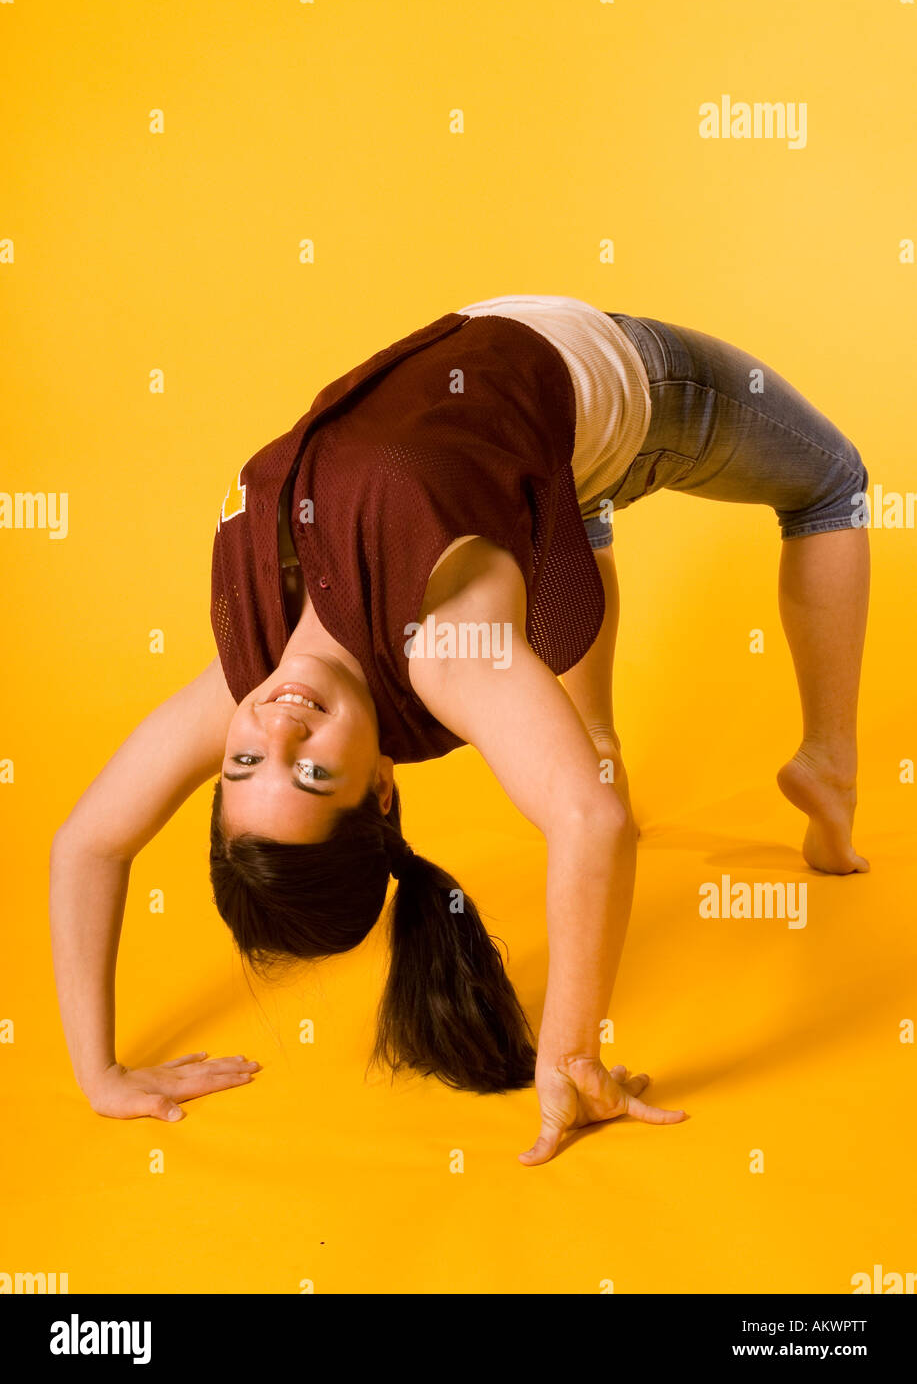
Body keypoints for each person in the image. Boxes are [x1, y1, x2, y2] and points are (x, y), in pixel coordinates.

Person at [50, 295, 870, 1166]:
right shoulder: (447, 653)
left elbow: (87, 844)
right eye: (314, 776)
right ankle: (829, 764)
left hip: (517, 445)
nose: (279, 732)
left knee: (558, 505)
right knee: (831, 484)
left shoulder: (254, 680)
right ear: (380, 784)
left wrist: (98, 1073)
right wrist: (571, 1055)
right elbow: (591, 825)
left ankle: (590, 740)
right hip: (614, 378)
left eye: (246, 766)